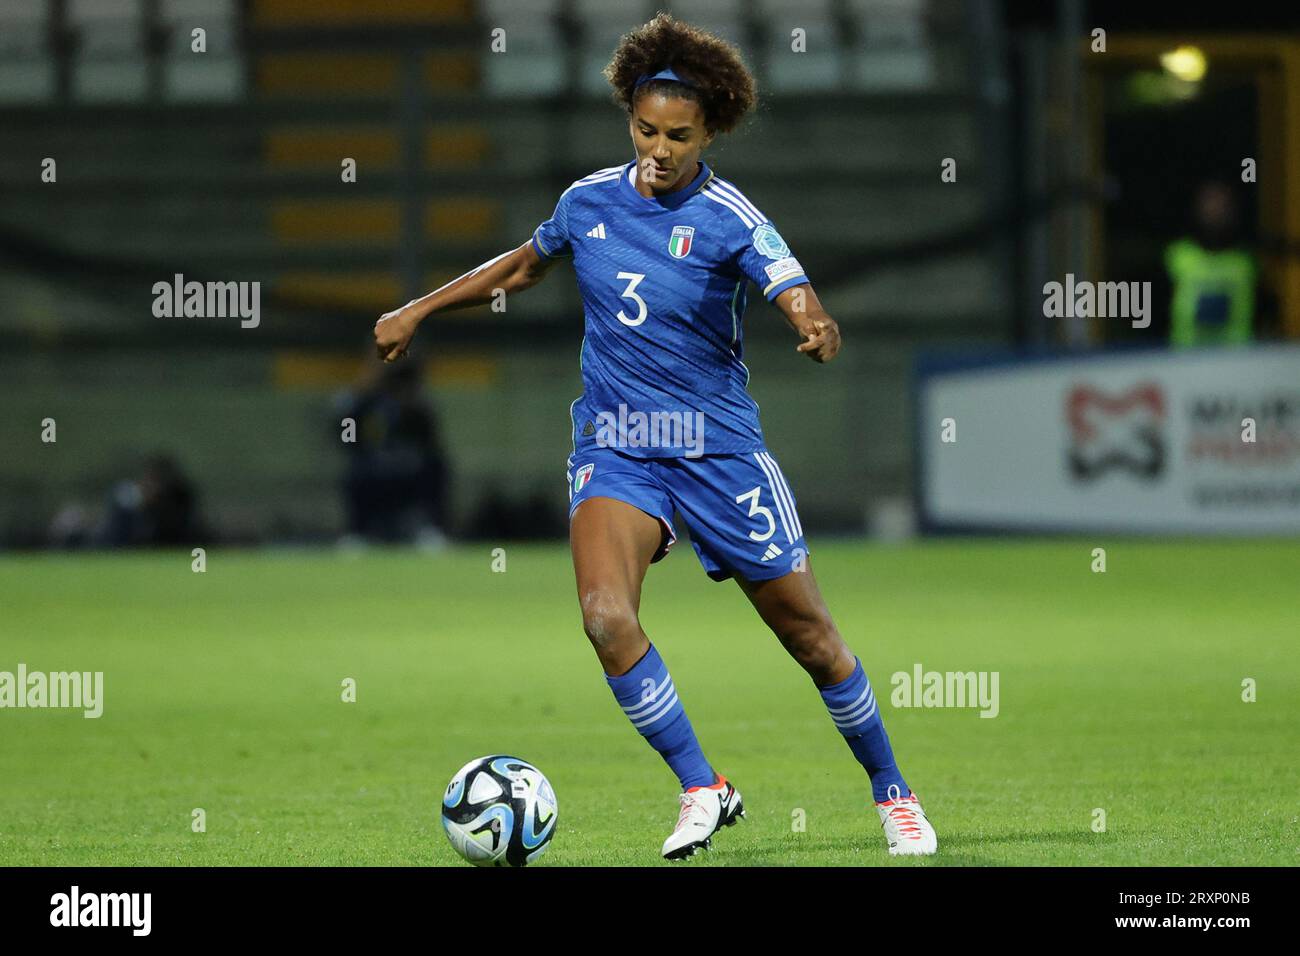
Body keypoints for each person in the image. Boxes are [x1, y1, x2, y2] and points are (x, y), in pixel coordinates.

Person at [374, 13, 936, 859]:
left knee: (811, 639)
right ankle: (703, 787)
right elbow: (526, 264)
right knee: (606, 619)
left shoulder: (731, 217)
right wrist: (420, 308)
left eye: (679, 134)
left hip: (718, 453)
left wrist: (813, 323)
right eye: (646, 129)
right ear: (629, 120)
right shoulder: (587, 202)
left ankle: (894, 794)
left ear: (711, 131)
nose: (659, 147)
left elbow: (793, 288)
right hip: (618, 444)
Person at [1165, 181, 1259, 347]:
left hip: (1238, 359)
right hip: (1184, 358)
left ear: (1233, 211)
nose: (1215, 211)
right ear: (1196, 208)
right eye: (1209, 203)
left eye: (1222, 205)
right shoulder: (1178, 255)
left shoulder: (1246, 262)